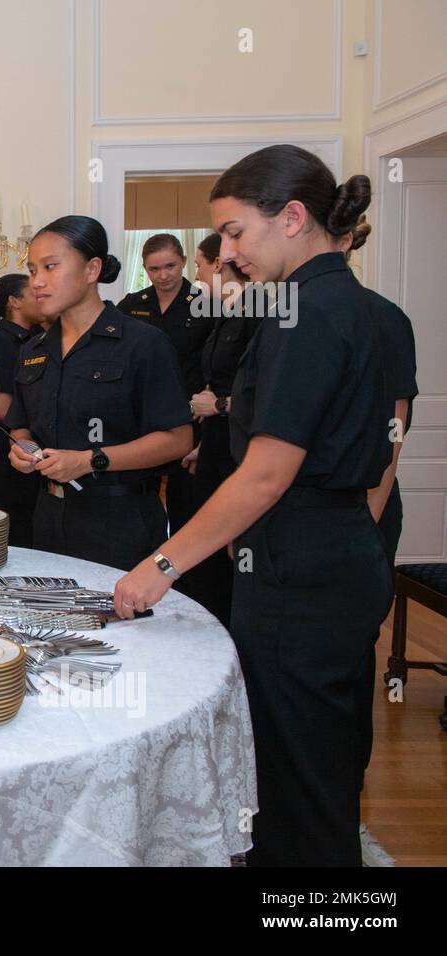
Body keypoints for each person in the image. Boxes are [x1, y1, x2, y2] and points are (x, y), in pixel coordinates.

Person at [113, 145, 393, 867]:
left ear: (293, 217)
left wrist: (161, 564)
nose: (228, 253)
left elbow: (267, 474)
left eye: (235, 232)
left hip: (300, 567)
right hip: (326, 554)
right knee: (313, 773)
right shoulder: (342, 301)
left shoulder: (306, 313)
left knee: (300, 791)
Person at [4, 216, 192, 570]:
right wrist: (24, 450)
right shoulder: (34, 349)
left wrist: (90, 460)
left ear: (92, 269)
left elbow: (177, 439)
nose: (38, 282)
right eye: (32, 270)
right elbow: (21, 425)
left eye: (50, 267)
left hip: (120, 520)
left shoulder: (142, 344)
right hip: (48, 516)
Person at [339, 217, 417, 800]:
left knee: (348, 656)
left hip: (360, 510)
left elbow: (392, 431)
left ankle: (347, 782)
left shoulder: (380, 317)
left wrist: (362, 525)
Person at [179, 234, 256, 626]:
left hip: (244, 456)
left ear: (219, 266)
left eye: (198, 265)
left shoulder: (258, 315)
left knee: (230, 557)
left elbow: (267, 397)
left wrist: (219, 406)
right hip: (217, 445)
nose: (196, 274)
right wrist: (205, 442)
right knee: (208, 556)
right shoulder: (223, 314)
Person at [116, 234, 213, 537]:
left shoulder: (205, 306)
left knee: (188, 506)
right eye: (154, 269)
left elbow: (217, 363)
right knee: (137, 504)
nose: (163, 275)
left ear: (183, 262)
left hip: (188, 419)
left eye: (170, 266)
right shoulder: (133, 304)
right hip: (142, 422)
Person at [0, 274, 43, 547]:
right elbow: (2, 409)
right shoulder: (1, 344)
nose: (41, 296)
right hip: (8, 452)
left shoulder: (44, 338)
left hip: (37, 451)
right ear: (14, 302)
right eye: (33, 292)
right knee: (19, 536)